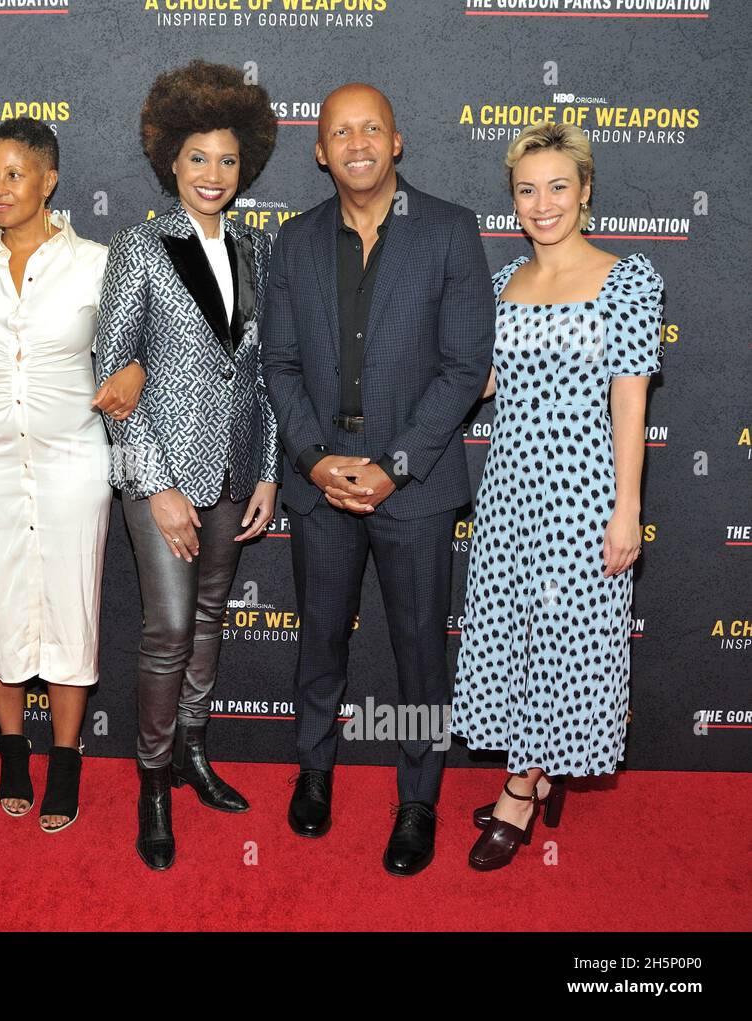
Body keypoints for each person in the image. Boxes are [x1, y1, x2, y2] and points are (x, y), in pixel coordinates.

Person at [261, 83, 493, 876]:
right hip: (321, 480)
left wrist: (394, 467)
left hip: (416, 486)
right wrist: (316, 460)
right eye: (339, 132)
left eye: (371, 128)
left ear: (397, 142)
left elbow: (465, 366)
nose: (356, 142)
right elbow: (280, 365)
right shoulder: (291, 243)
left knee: (420, 650)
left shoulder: (452, 232)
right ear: (320, 150)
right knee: (320, 639)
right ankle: (316, 770)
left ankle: (419, 798)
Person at [453, 121, 663, 870]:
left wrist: (627, 509)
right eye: (527, 190)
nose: (542, 204)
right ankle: (536, 773)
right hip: (510, 493)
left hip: (583, 498)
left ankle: (519, 790)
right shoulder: (508, 279)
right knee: (516, 638)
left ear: (586, 192)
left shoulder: (626, 281)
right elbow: (480, 383)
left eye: (558, 188)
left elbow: (630, 405)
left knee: (567, 645)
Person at [0, 118, 145, 833]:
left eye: (15, 174)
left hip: (74, 459)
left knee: (70, 603)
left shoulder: (97, 263)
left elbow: (136, 346)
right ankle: (12, 748)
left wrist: (137, 369)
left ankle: (66, 756)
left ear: (50, 181)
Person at [95, 61, 280, 871]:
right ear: (171, 160)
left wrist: (269, 469)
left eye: (228, 160)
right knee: (168, 628)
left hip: (236, 472)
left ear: (247, 169)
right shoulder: (138, 245)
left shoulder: (255, 247)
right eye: (198, 157)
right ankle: (152, 779)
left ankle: (192, 751)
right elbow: (112, 376)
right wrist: (155, 483)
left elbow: (265, 372)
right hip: (161, 474)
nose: (213, 174)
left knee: (211, 621)